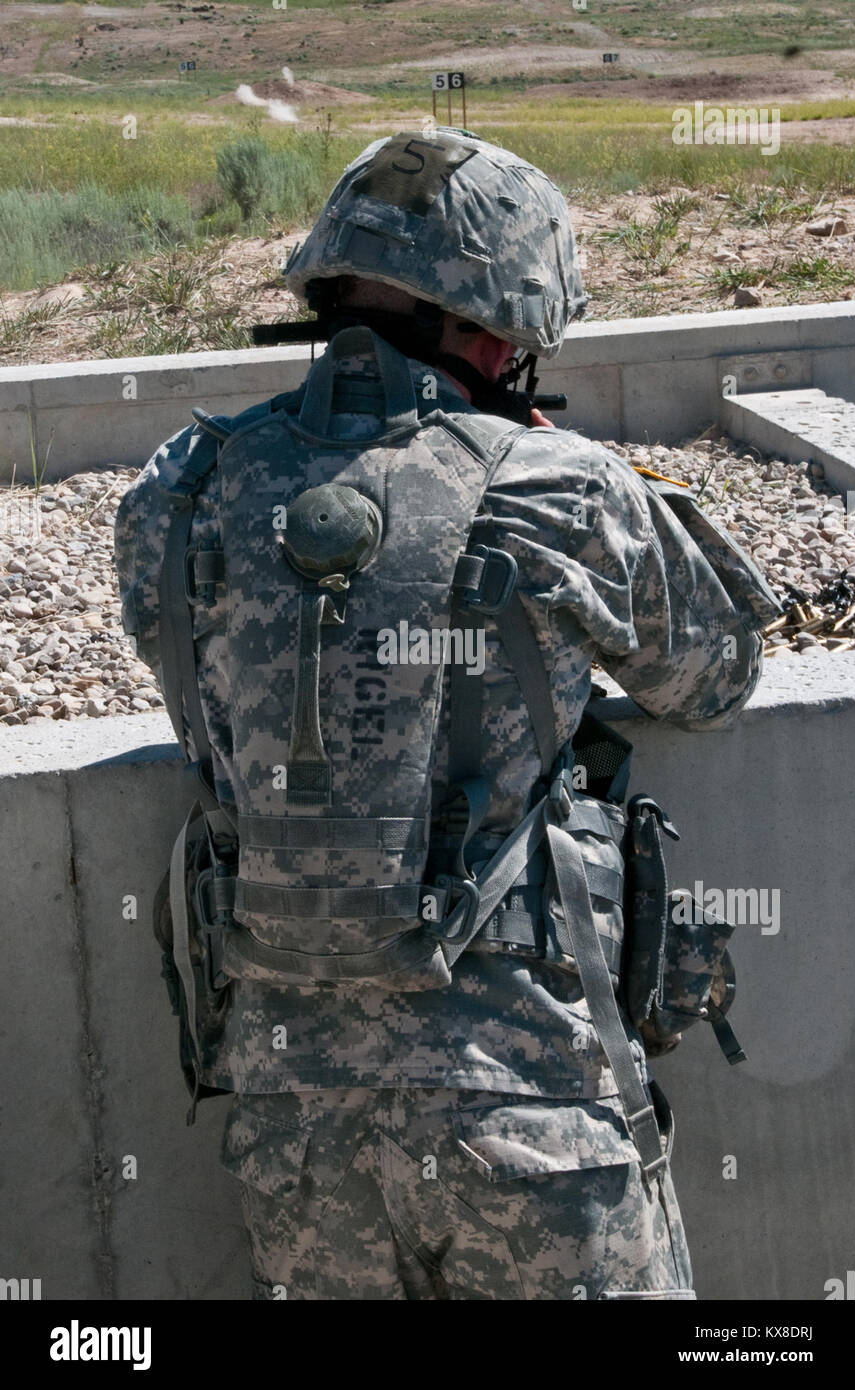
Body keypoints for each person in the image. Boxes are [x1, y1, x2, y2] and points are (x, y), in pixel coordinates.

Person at [115, 129, 781, 1301]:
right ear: (495, 332)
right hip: (525, 1103)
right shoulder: (556, 487)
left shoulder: (184, 484)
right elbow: (713, 675)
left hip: (294, 1130)